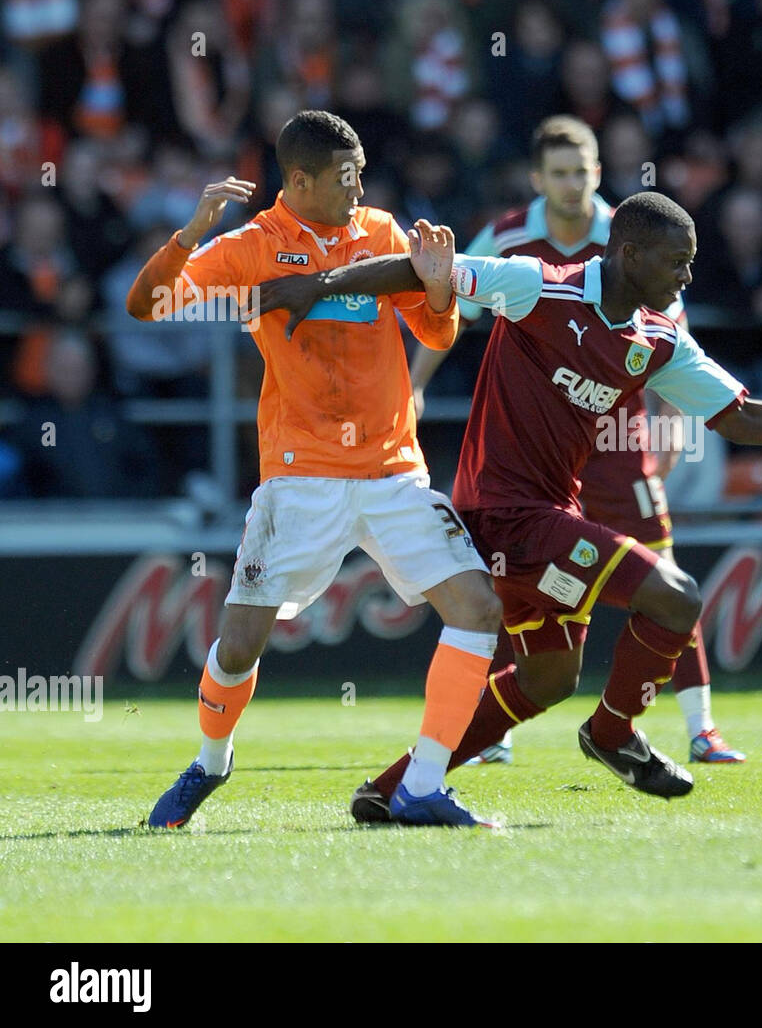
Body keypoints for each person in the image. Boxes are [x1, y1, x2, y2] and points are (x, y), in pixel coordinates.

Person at [254, 193, 762, 807]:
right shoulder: (540, 285)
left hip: (548, 516)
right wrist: (318, 285)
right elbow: (422, 270)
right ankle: (613, 731)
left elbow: (739, 416)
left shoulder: (655, 338)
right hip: (502, 510)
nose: (686, 278)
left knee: (547, 676)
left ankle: (391, 789)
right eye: (677, 262)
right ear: (630, 254)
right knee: (676, 594)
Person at [124, 110, 505, 829]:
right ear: (297, 180)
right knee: (238, 645)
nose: (356, 190)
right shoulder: (253, 245)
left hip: (393, 467)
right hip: (301, 475)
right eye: (343, 178)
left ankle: (422, 784)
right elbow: (145, 305)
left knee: (479, 608)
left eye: (360, 174)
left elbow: (437, 330)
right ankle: (210, 763)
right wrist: (188, 235)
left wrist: (439, 287)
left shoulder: (383, 232)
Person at [410, 116, 746, 768]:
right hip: (540, 435)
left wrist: (671, 425)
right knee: (522, 575)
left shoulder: (634, 234)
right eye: (559, 173)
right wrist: (415, 383)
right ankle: (497, 727)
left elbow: (671, 343)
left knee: (663, 568)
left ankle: (702, 726)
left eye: (583, 170)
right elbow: (452, 298)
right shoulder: (511, 237)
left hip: (616, 434)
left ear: (597, 171)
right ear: (538, 181)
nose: (573, 184)